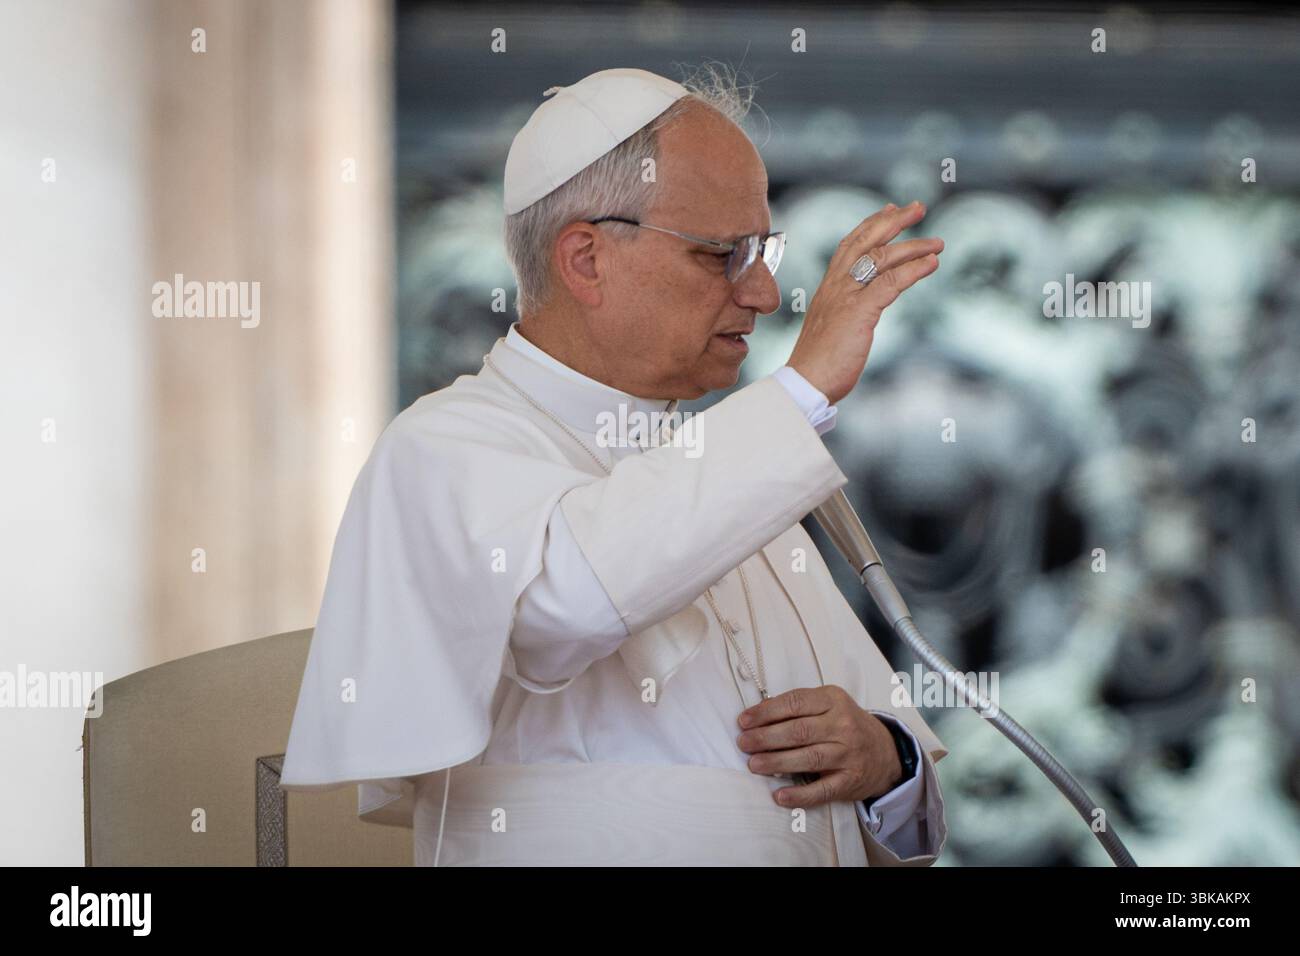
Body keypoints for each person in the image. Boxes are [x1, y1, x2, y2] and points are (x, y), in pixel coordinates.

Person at [281, 66, 947, 866]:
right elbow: (565, 607)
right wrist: (801, 390)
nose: (767, 293)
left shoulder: (720, 466)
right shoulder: (442, 446)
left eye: (763, 251)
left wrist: (885, 760)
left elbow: (909, 832)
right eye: (725, 254)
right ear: (587, 259)